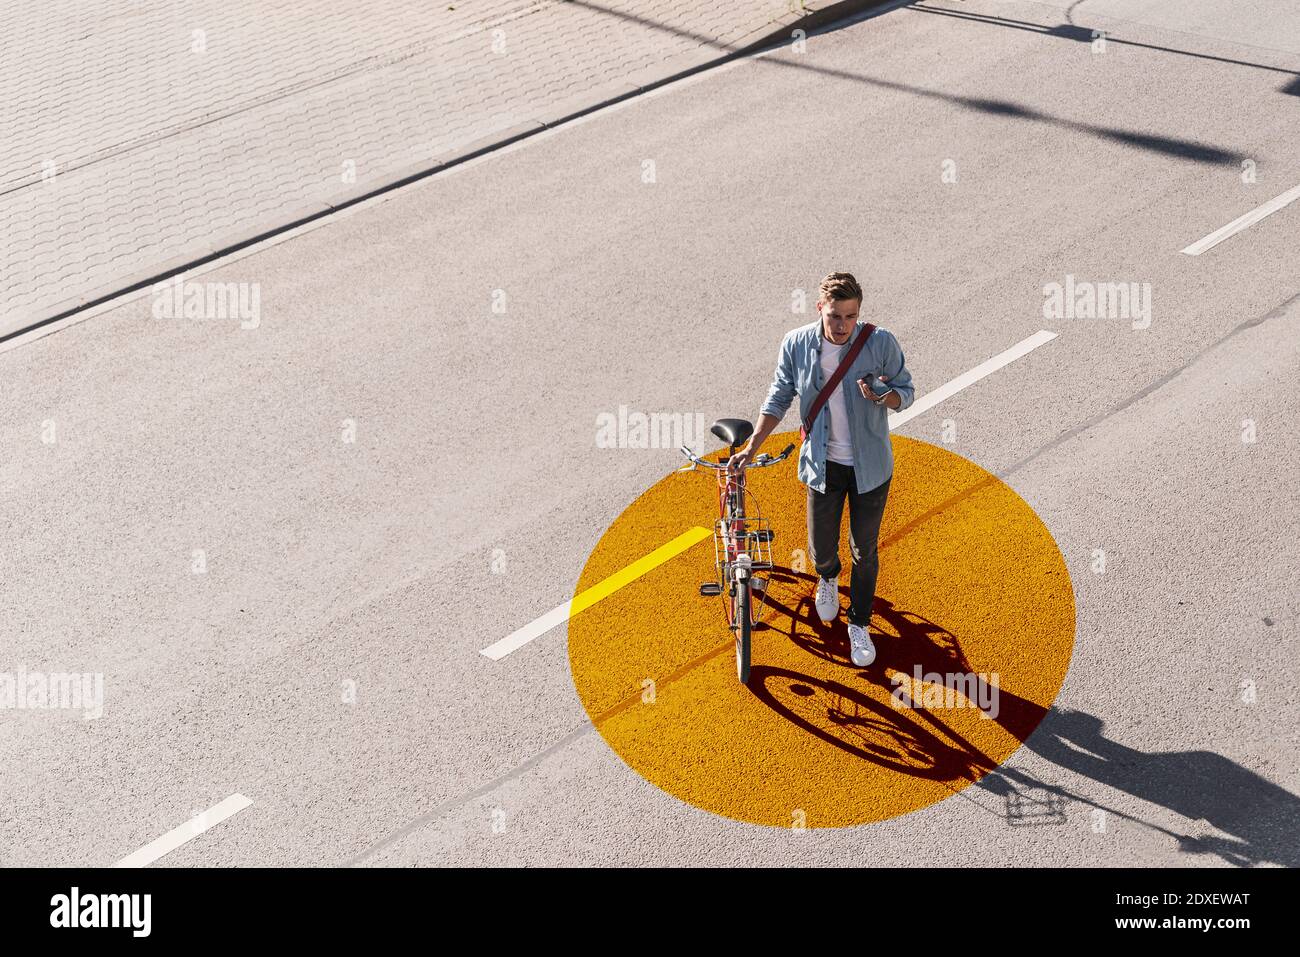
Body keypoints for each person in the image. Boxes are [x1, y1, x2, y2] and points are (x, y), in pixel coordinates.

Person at [728, 272, 915, 666]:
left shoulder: (879, 342)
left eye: (850, 316)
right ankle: (827, 580)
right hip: (822, 466)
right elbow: (778, 397)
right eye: (835, 316)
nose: (843, 325)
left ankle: (859, 623)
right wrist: (750, 448)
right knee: (821, 550)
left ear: (859, 312)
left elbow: (907, 393)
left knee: (865, 550)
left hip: (871, 469)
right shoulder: (796, 344)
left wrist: (884, 395)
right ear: (820, 310)